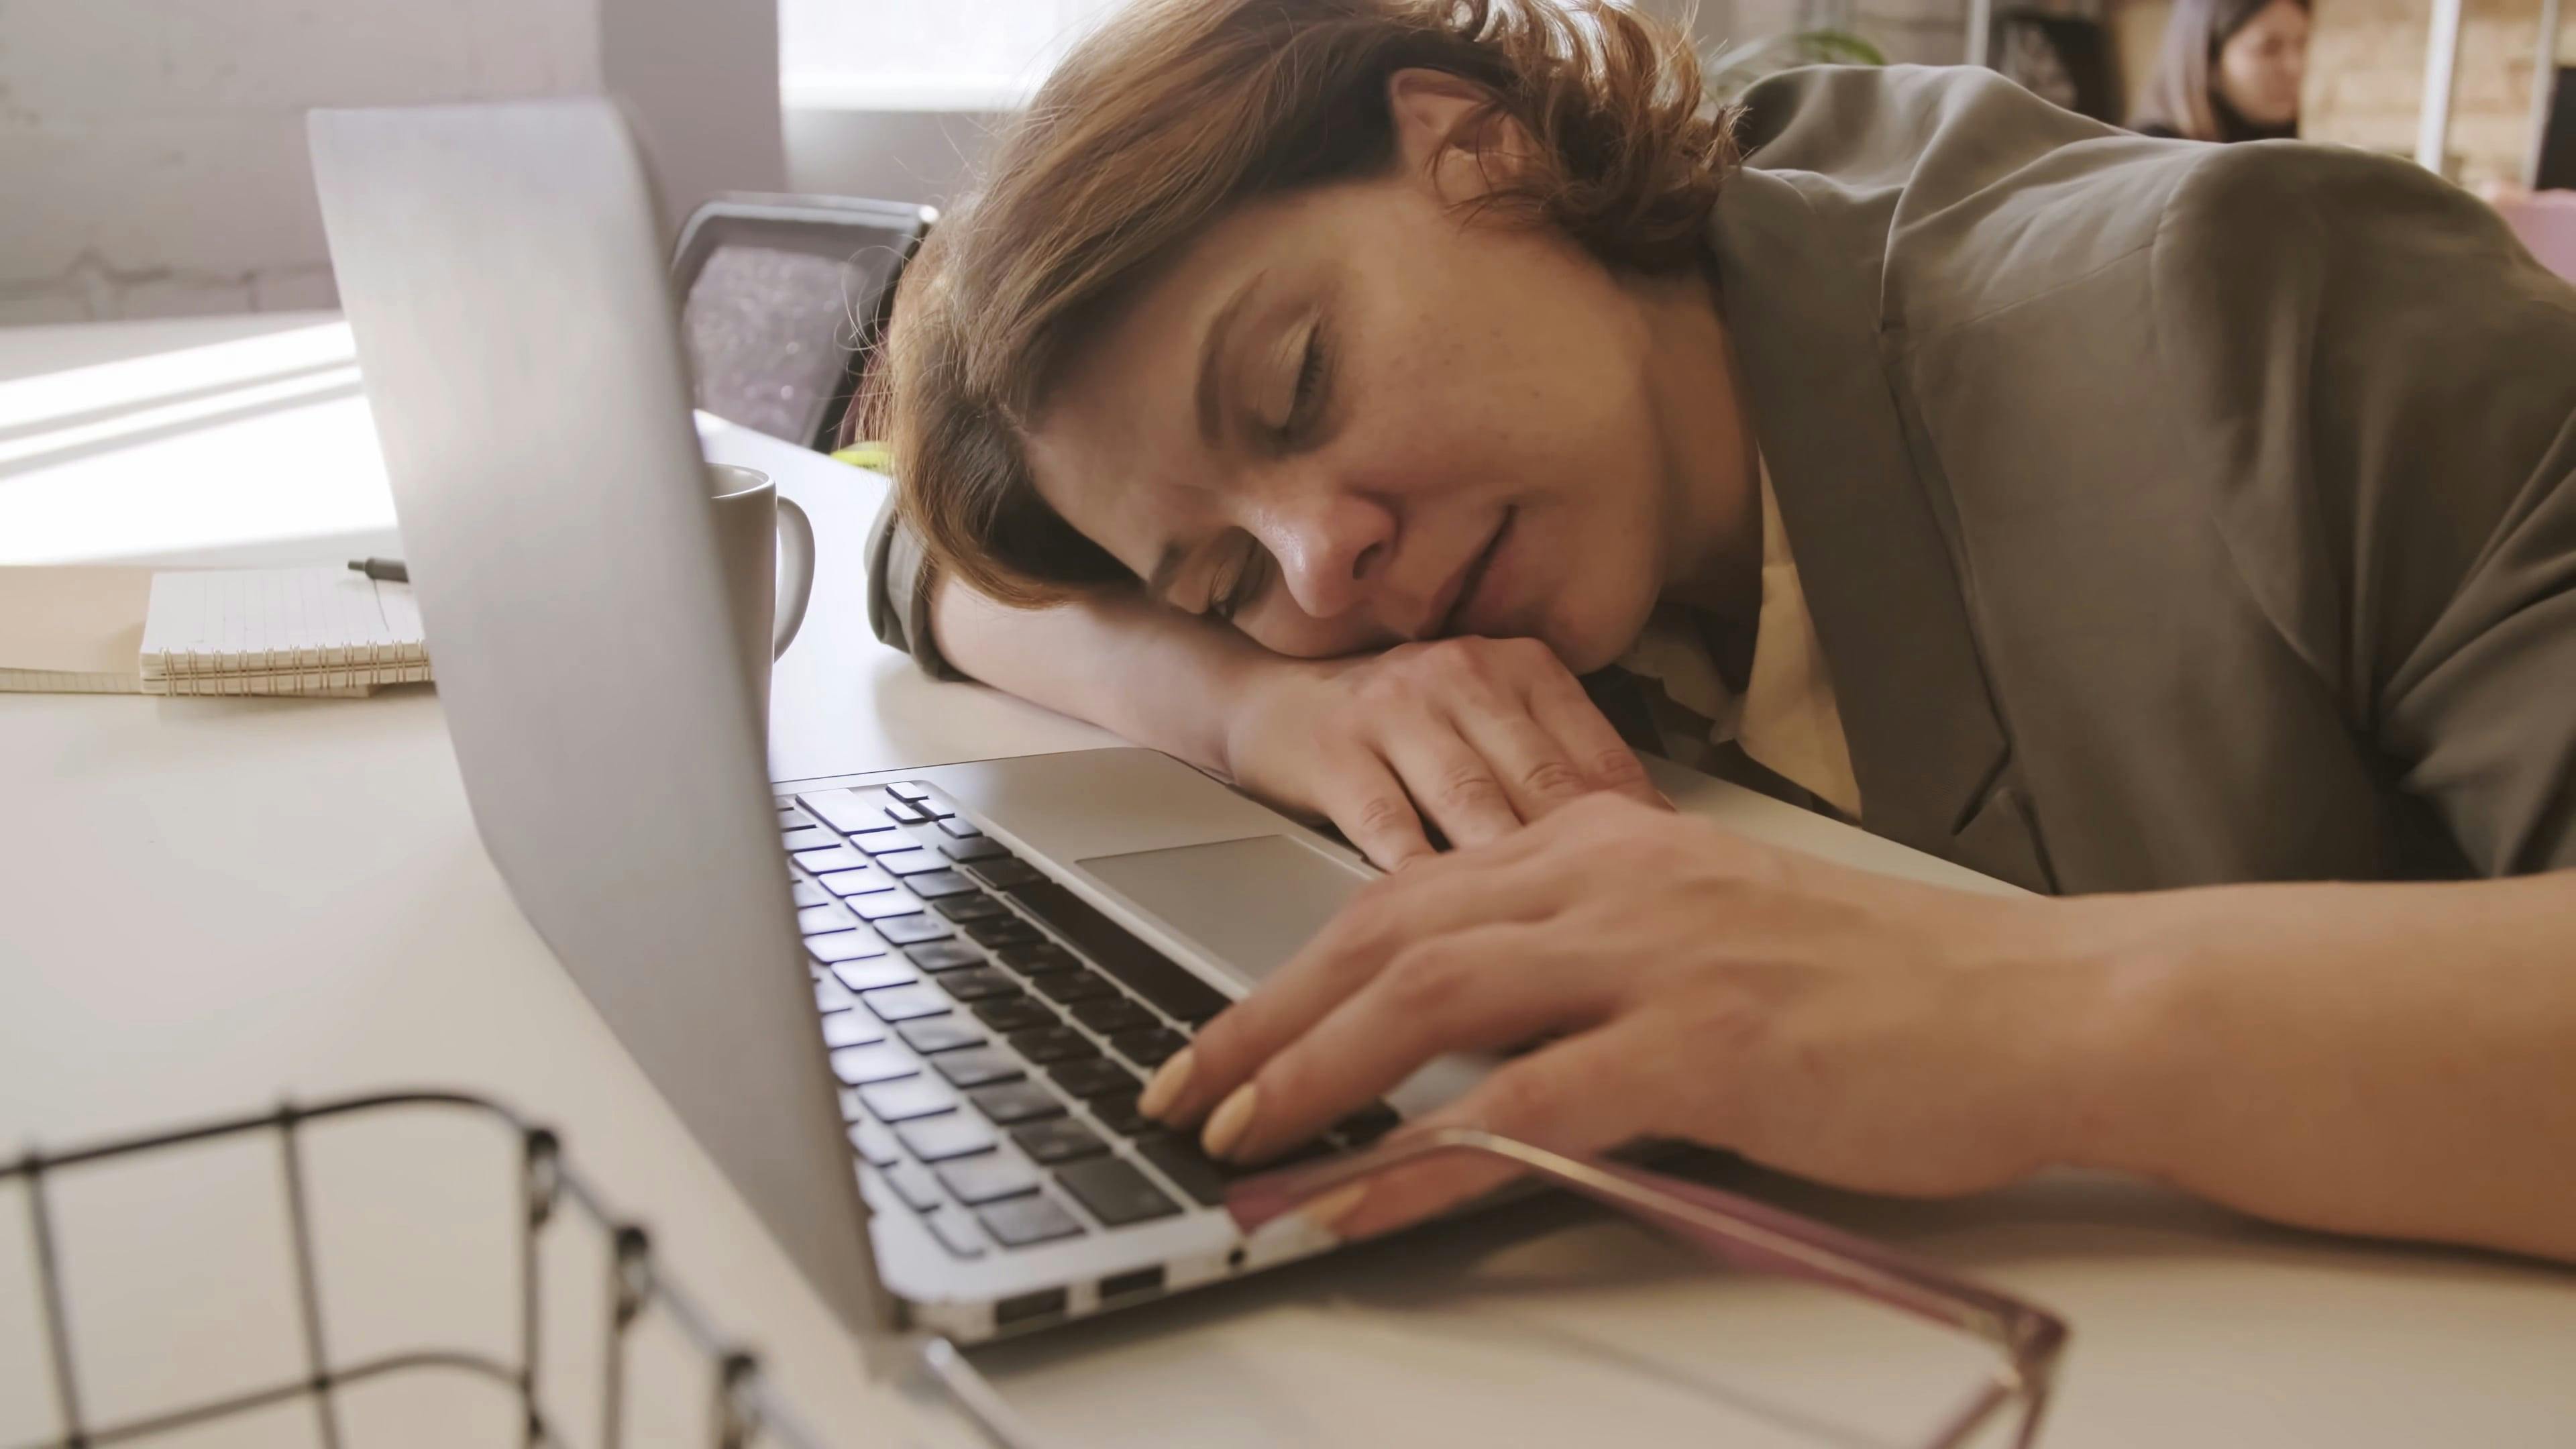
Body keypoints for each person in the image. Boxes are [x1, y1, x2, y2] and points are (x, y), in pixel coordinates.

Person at [858, 0, 2576, 1261]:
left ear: (1476, 140)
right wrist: (1249, 707)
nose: (1320, 567)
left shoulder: (2253, 316)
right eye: (1223, 573)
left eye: (1297, 385)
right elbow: (916, 570)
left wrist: (2002, 1006)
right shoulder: (1495, 473)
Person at [2131, 0, 2309, 142]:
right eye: (2268, 49)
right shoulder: (2155, 157)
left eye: (2302, 45)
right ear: (2209, 61)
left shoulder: (2290, 145)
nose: (2296, 67)